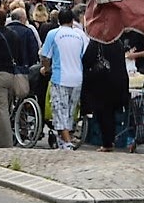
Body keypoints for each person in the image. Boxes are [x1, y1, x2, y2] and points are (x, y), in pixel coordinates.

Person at [40, 8, 90, 150]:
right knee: (71, 111)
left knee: (59, 109)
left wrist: (46, 68)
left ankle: (67, 142)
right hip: (77, 77)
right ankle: (64, 139)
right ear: (72, 21)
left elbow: (45, 56)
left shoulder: (53, 34)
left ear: (58, 20)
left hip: (60, 77)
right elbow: (86, 55)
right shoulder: (80, 35)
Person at [0, 9, 24, 149]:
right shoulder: (14, 35)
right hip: (12, 75)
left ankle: (7, 143)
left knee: (1, 110)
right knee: (4, 108)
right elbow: (20, 56)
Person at [82, 37, 130, 152]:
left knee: (103, 113)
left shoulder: (97, 42)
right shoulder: (118, 42)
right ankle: (110, 141)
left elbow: (86, 60)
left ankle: (107, 143)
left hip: (102, 83)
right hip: (118, 82)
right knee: (111, 113)